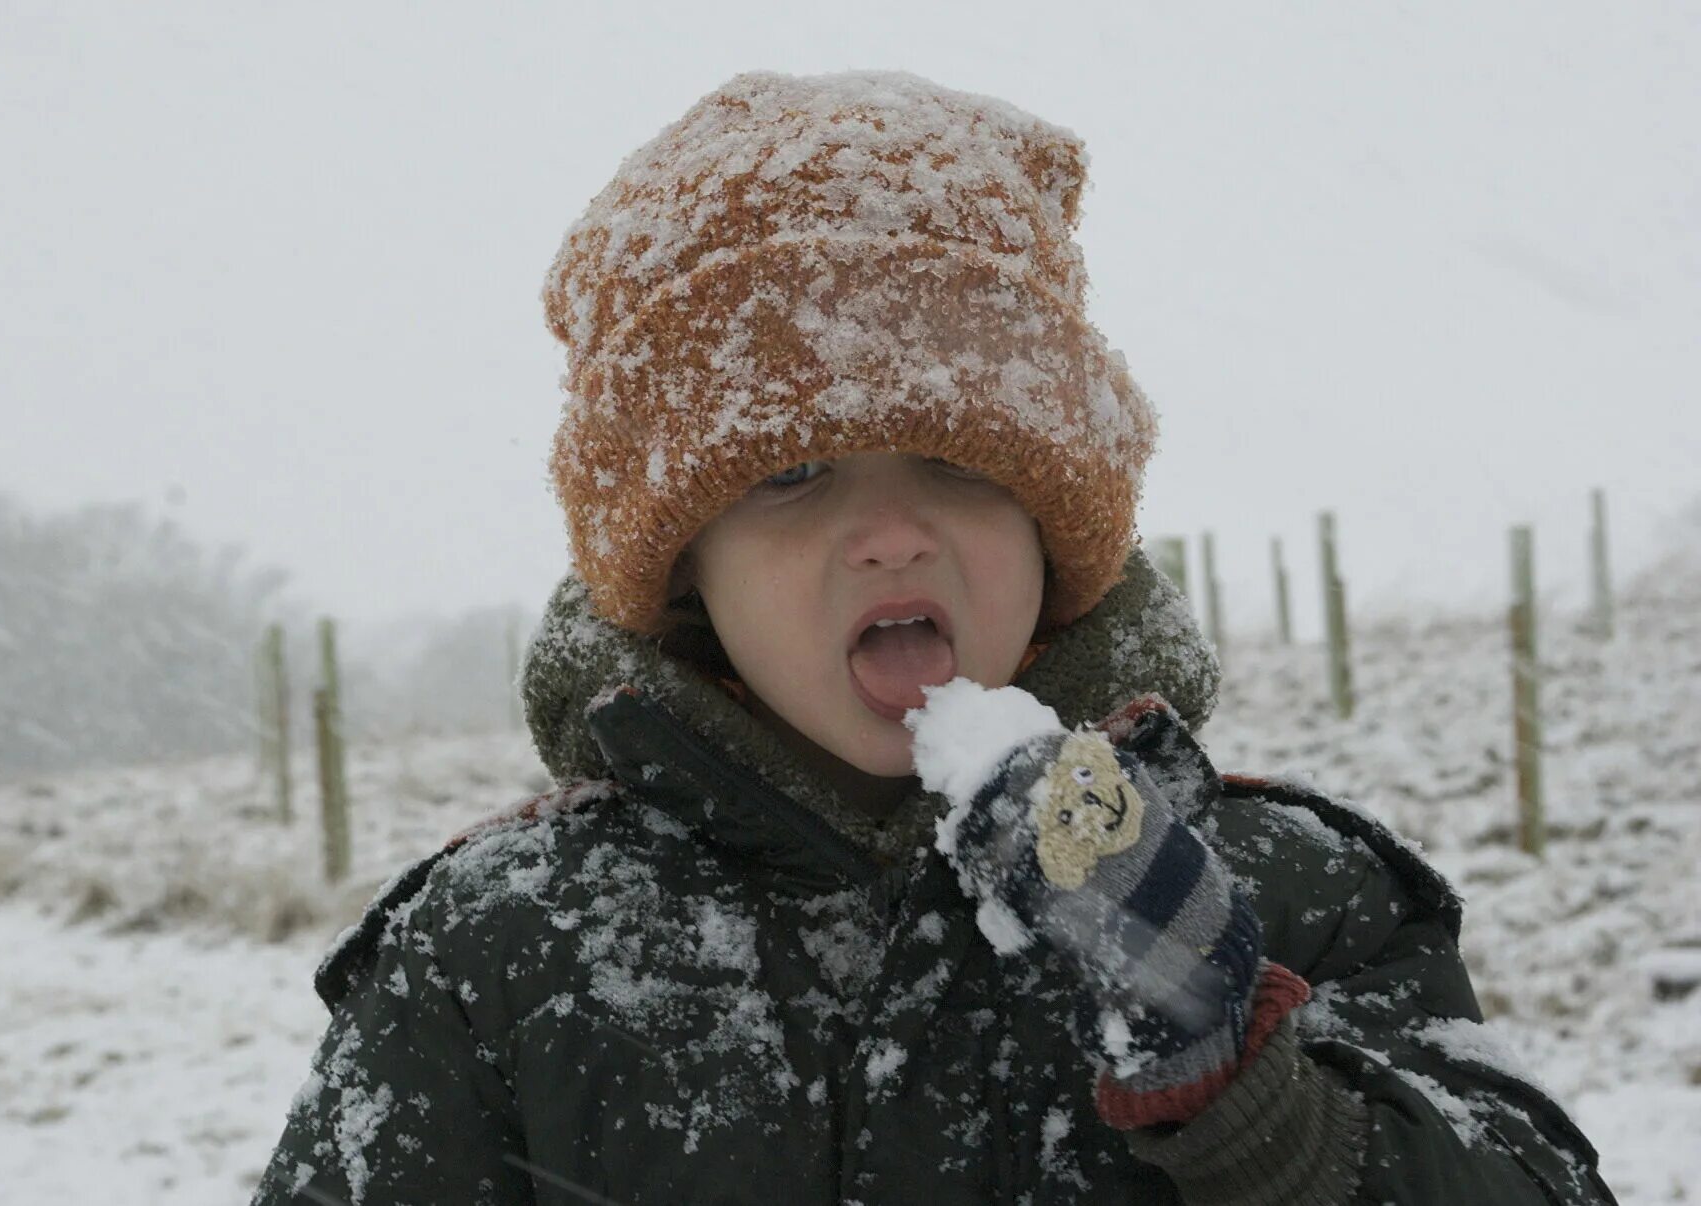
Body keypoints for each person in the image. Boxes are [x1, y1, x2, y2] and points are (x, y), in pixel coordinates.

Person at [249, 70, 1613, 1204]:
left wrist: (1259, 1097)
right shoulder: (506, 949)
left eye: (963, 465)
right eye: (791, 476)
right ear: (685, 577)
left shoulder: (1279, 891)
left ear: (1053, 524)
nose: (893, 532)